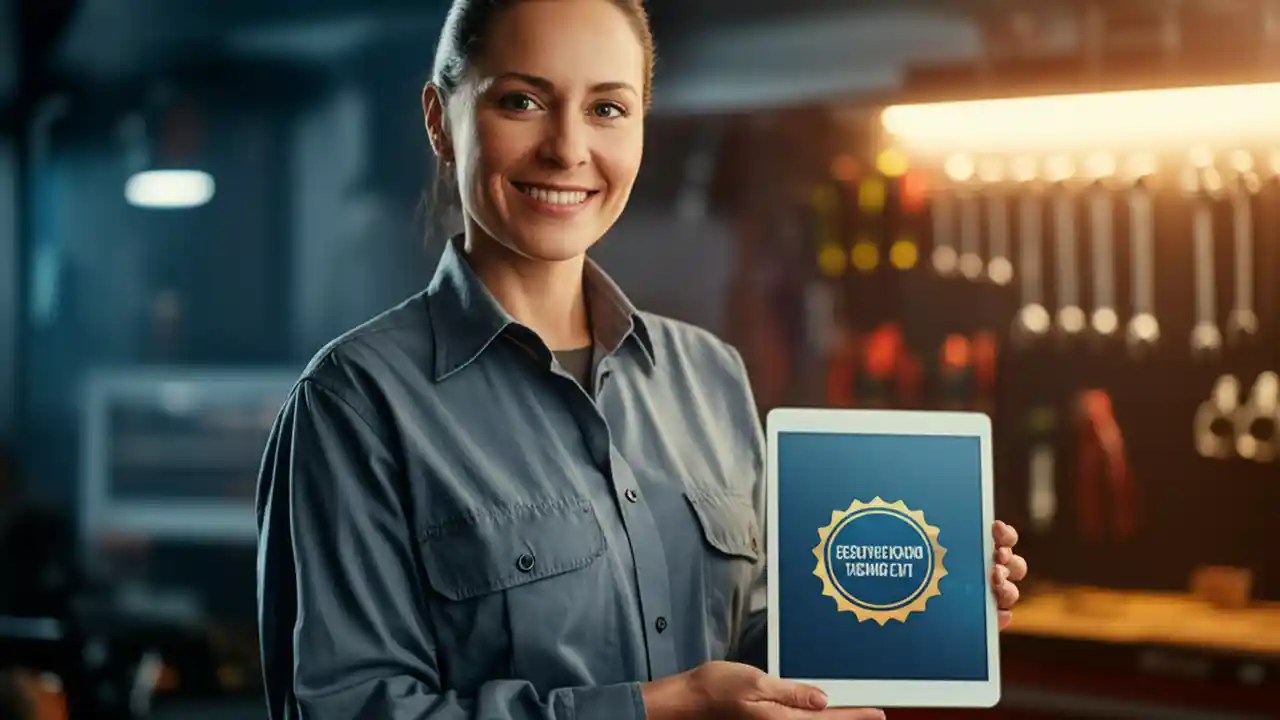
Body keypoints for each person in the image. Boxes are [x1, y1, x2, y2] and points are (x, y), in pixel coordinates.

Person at [254, 1, 1029, 718]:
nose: (567, 149)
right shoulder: (355, 405)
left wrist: (920, 602)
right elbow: (346, 708)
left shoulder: (709, 376)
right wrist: (667, 704)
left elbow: (760, 651)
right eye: (521, 100)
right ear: (440, 120)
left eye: (607, 109)